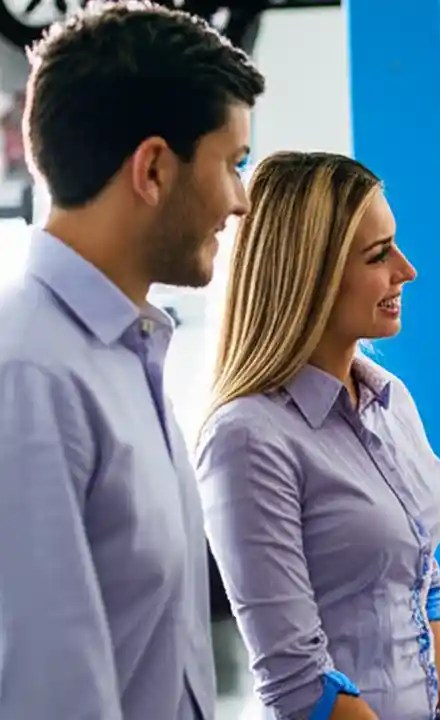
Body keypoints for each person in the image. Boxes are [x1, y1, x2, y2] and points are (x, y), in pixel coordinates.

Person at [0, 4, 263, 718]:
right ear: (152, 168)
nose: (240, 202)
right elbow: (51, 694)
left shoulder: (128, 352)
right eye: (233, 164)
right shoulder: (32, 376)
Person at [195, 151, 440, 720]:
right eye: (378, 255)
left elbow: (424, 575)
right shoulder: (247, 438)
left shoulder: (389, 398)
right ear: (309, 275)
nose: (406, 269)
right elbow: (296, 680)